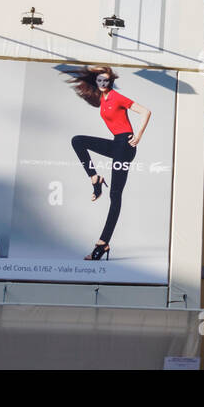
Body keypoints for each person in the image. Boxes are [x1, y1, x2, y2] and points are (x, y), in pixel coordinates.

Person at [62, 66, 152, 261]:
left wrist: (138, 136)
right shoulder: (102, 99)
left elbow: (145, 111)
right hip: (116, 144)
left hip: (125, 145)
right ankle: (95, 177)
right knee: (78, 140)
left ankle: (103, 244)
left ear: (111, 82)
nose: (102, 84)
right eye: (99, 80)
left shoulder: (117, 97)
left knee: (115, 195)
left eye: (106, 80)